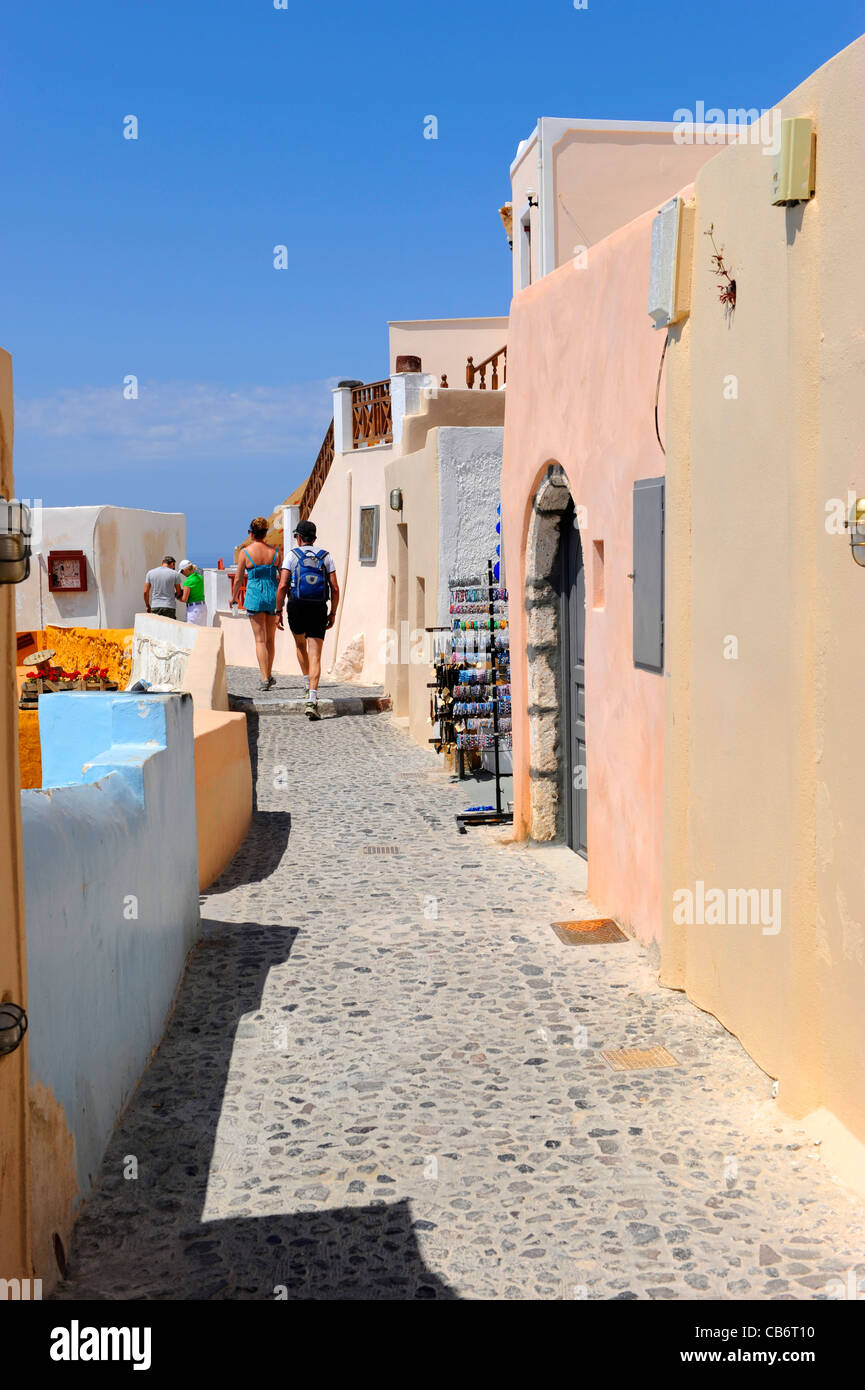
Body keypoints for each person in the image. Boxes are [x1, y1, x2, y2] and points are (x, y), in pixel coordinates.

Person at [275, 519, 339, 720]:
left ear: (299, 537)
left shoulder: (292, 556)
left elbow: (283, 585)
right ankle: (312, 698)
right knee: (316, 655)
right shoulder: (325, 556)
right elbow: (335, 588)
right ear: (314, 538)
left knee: (300, 645)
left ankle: (305, 683)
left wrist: (279, 611)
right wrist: (333, 612)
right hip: (318, 607)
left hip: (297, 606)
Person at [233, 518, 281, 690]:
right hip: (273, 596)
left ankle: (264, 679)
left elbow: (238, 579)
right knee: (270, 639)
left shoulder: (245, 553)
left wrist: (234, 597)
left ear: (251, 534)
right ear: (265, 533)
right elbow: (282, 576)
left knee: (260, 640)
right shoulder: (275, 552)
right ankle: (268, 674)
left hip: (255, 595)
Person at [177, 560, 208, 626]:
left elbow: (184, 599)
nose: (182, 573)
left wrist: (177, 597)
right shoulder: (199, 577)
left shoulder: (188, 581)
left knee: (191, 632)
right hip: (203, 607)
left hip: (194, 609)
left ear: (185, 569)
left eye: (182, 571)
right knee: (202, 631)